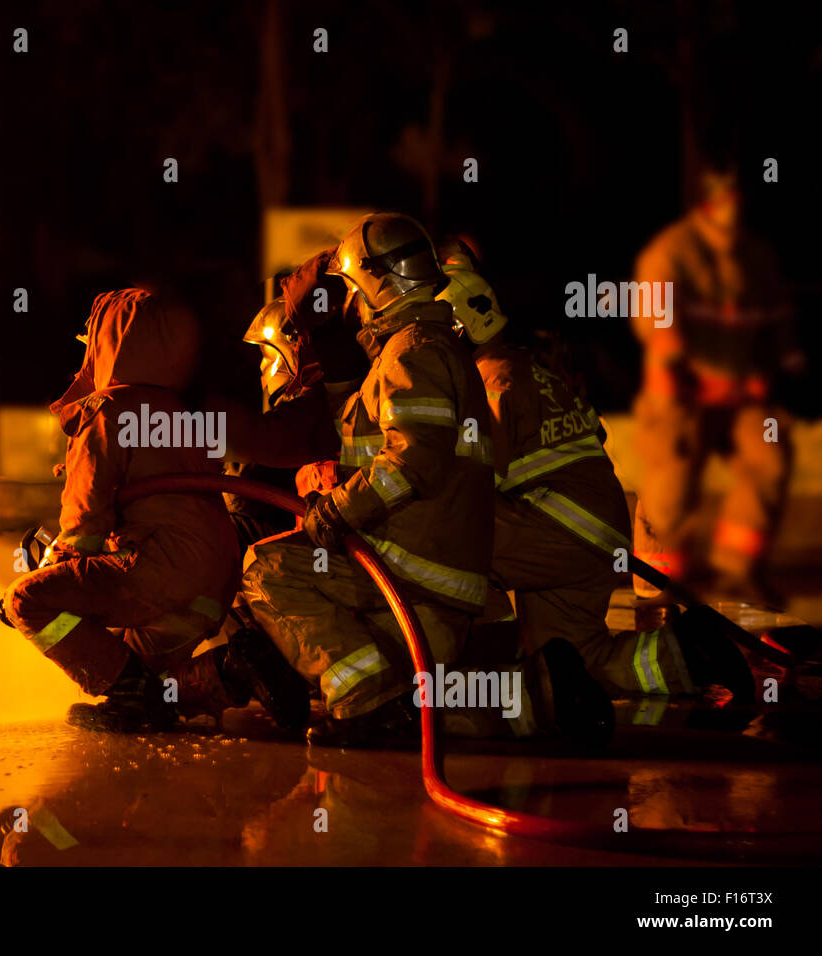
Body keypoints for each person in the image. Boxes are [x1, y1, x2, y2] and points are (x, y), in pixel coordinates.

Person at [242, 213, 531, 748]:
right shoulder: (432, 347)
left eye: (354, 291)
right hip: (438, 570)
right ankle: (392, 697)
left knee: (266, 568)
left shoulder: (412, 350)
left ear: (376, 282)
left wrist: (334, 511)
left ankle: (368, 704)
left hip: (417, 569)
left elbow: (411, 463)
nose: (352, 305)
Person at [436, 240, 753, 704]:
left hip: (556, 531)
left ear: (459, 330)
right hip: (594, 537)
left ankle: (477, 678)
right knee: (574, 663)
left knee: (439, 542)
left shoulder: (491, 386)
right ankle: (690, 653)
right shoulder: (533, 372)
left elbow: (478, 482)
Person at [0, 289, 297, 732]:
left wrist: (49, 574)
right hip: (215, 577)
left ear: (109, 345)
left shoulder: (106, 411)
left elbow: (84, 515)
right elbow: (282, 442)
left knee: (26, 602)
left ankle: (129, 696)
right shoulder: (196, 409)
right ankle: (231, 671)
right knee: (132, 666)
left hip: (162, 569)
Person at [630, 161, 800, 604]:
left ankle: (738, 572)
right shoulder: (671, 251)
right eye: (725, 200)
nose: (734, 210)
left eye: (740, 200)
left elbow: (777, 315)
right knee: (671, 487)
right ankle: (657, 584)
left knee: (770, 459)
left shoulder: (757, 256)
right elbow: (655, 313)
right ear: (707, 204)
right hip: (682, 393)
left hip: (742, 394)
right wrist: (675, 364)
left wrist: (787, 363)